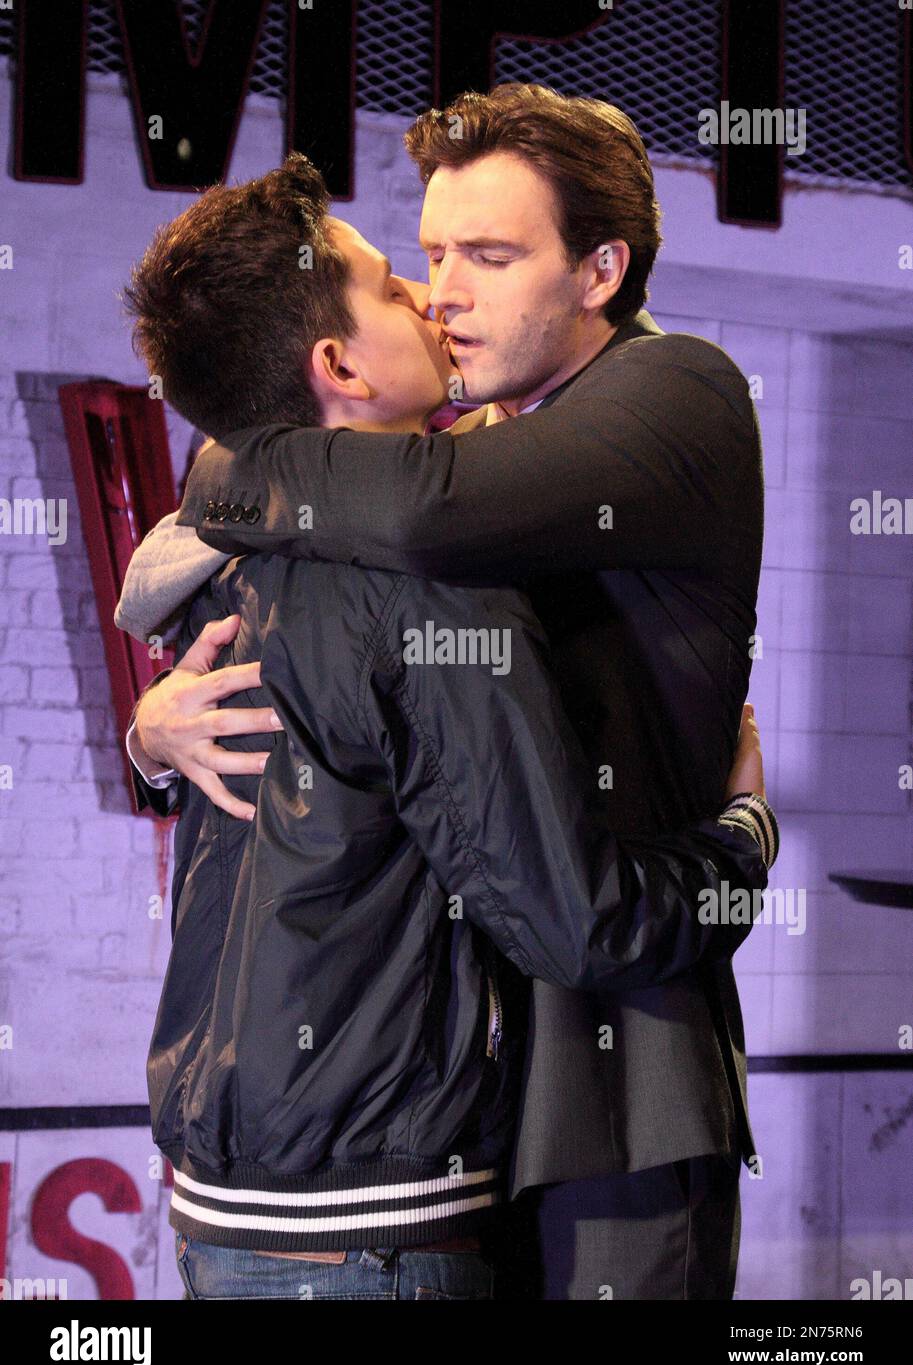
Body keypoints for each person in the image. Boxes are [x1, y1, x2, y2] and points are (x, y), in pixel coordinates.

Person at [124, 84, 772, 1301]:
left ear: (598, 269)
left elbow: (397, 502)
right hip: (443, 1106)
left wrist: (745, 836)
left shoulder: (674, 392)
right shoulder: (451, 435)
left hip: (611, 1082)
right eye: (426, 255)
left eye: (488, 253)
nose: (444, 290)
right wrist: (155, 737)